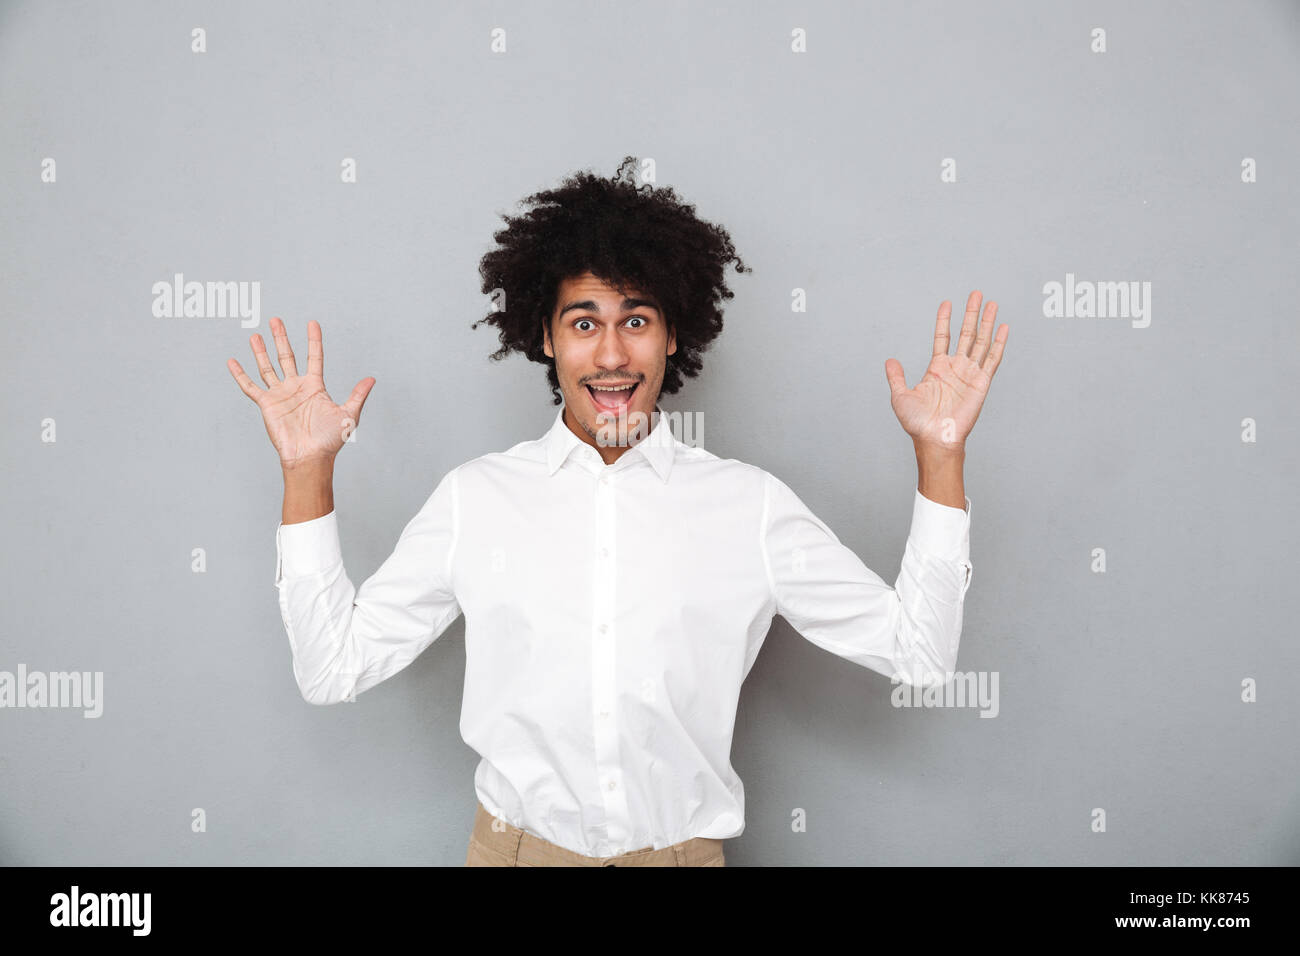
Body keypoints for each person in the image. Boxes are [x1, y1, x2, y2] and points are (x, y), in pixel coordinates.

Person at [226, 156, 1009, 867]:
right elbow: (331, 670)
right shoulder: (475, 499)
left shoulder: (749, 508)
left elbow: (919, 657)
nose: (609, 355)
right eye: (584, 322)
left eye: (636, 321)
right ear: (545, 336)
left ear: (673, 338)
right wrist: (307, 472)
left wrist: (940, 455)